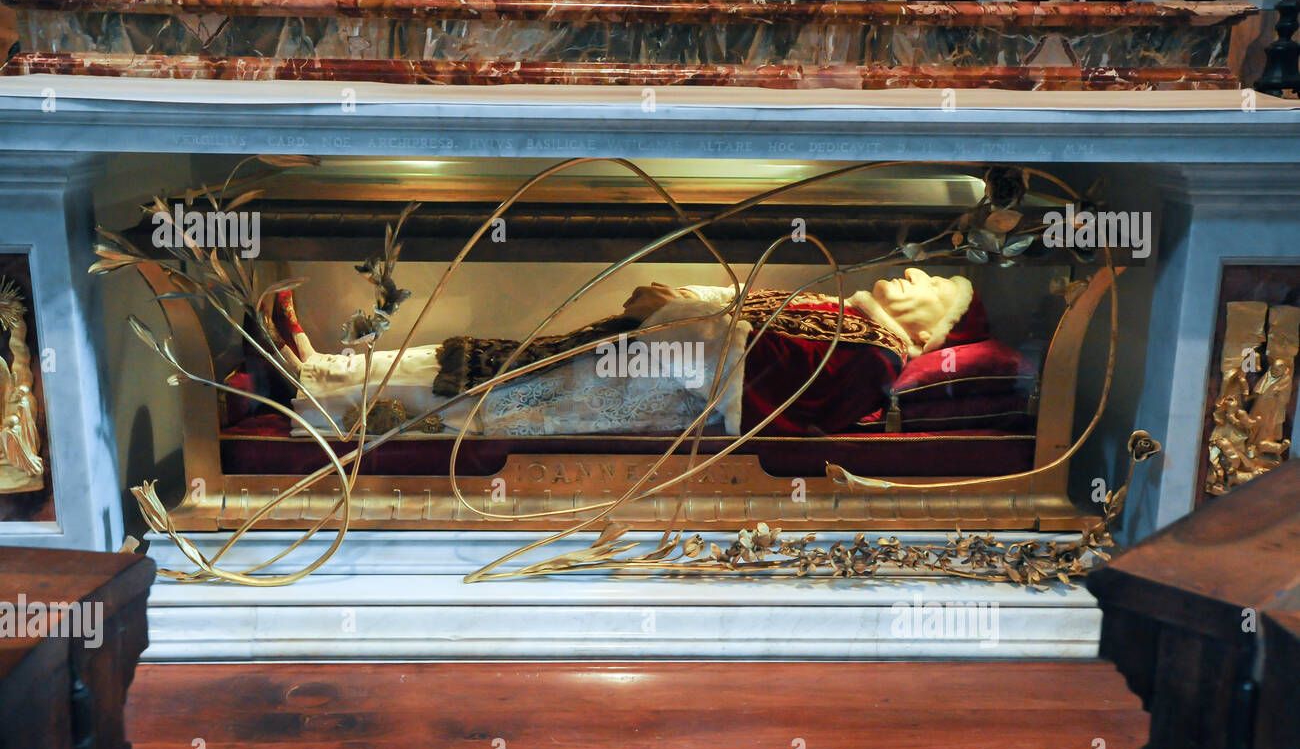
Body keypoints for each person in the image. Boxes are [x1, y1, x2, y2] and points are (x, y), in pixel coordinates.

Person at [277, 268, 985, 439]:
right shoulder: (843, 318)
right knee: (493, 358)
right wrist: (674, 294)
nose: (908, 275)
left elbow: (741, 360)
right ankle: (328, 370)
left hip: (660, 383)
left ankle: (321, 398)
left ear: (932, 327)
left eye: (927, 285)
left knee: (492, 395)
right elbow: (743, 304)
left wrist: (672, 309)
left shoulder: (869, 358)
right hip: (653, 356)